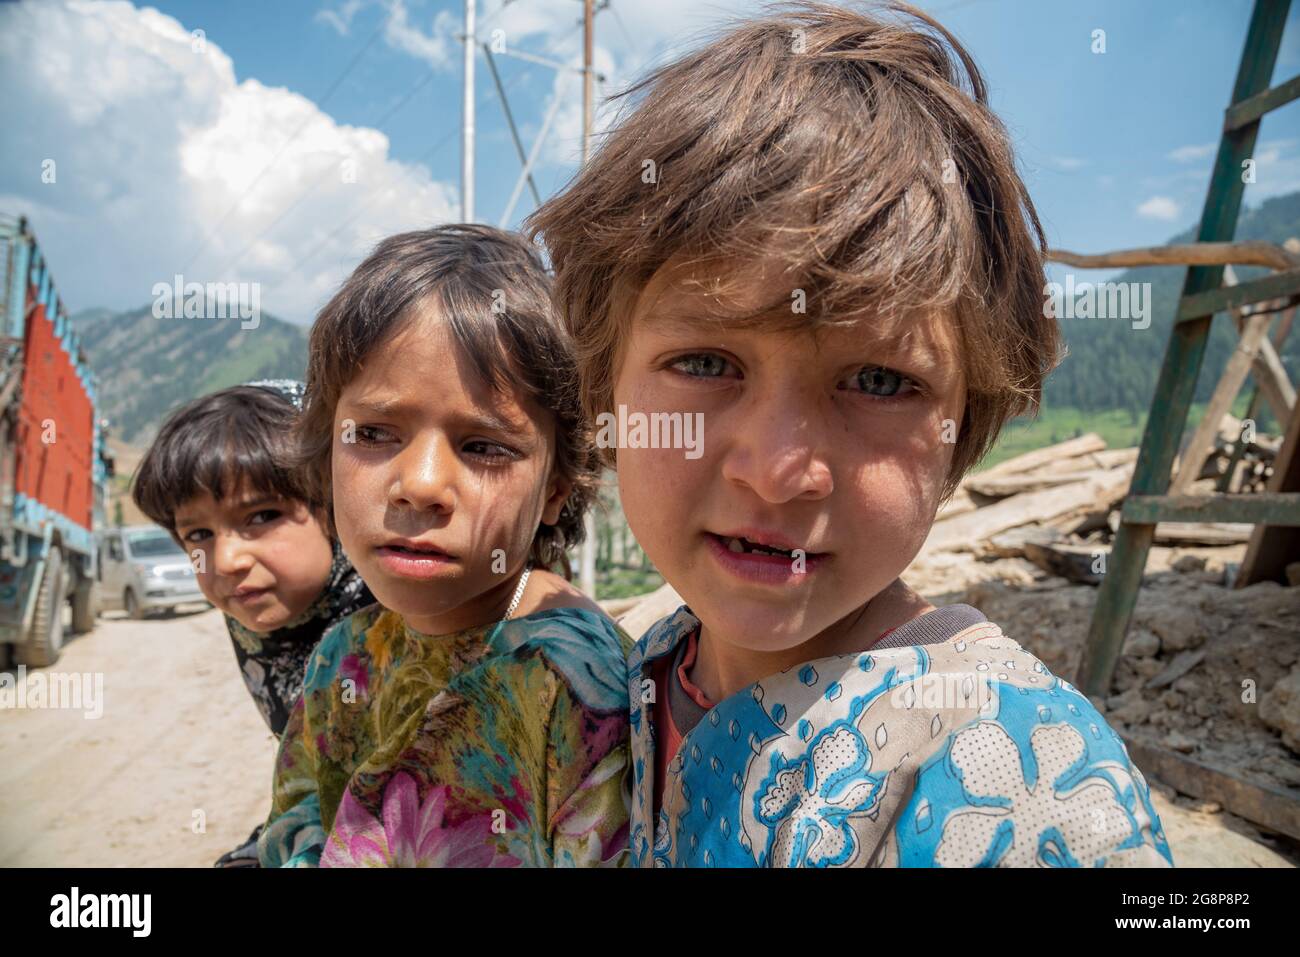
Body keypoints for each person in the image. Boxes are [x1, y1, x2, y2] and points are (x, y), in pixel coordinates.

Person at [526, 1, 1173, 867]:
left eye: (877, 381)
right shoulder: (642, 677)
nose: (778, 470)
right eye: (708, 363)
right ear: (608, 389)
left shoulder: (1010, 773)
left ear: (961, 428)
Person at [257, 224, 632, 867]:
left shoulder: (577, 688)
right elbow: (294, 829)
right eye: (373, 434)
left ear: (555, 489)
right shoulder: (342, 658)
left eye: (484, 446)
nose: (421, 485)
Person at [132, 380, 374, 866]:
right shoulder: (267, 621)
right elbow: (321, 786)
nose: (226, 560)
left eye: (262, 516)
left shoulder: (409, 624)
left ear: (331, 508)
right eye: (197, 533)